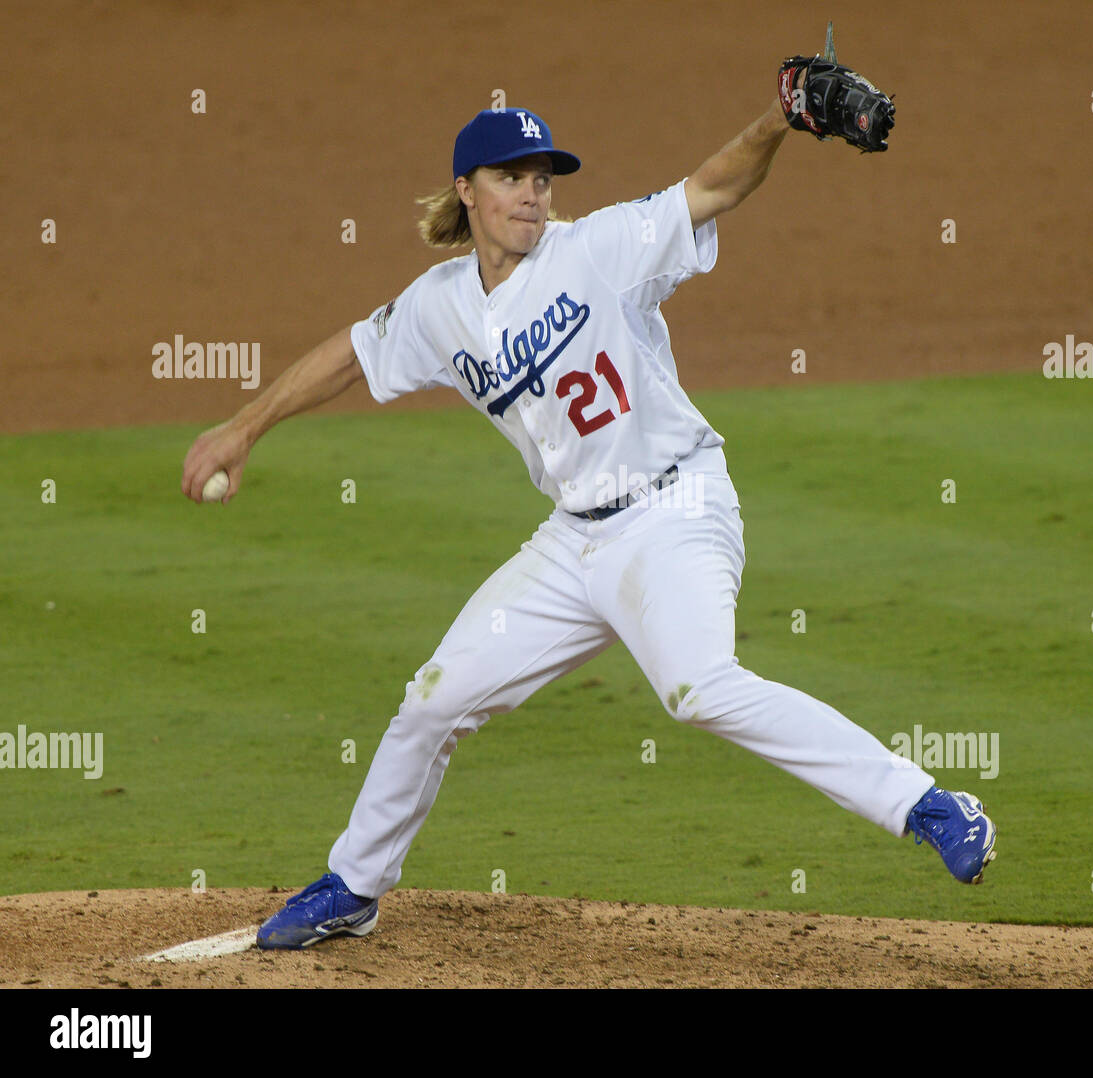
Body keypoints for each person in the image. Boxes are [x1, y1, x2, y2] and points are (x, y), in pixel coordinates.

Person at [182, 95, 995, 951]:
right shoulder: (441, 304)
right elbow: (352, 352)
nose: (533, 194)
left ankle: (927, 805)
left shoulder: (599, 249)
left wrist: (778, 120)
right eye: (511, 179)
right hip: (574, 541)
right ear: (467, 190)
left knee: (697, 688)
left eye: (542, 178)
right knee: (434, 700)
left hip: (676, 509)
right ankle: (354, 886)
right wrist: (243, 428)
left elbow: (713, 189)